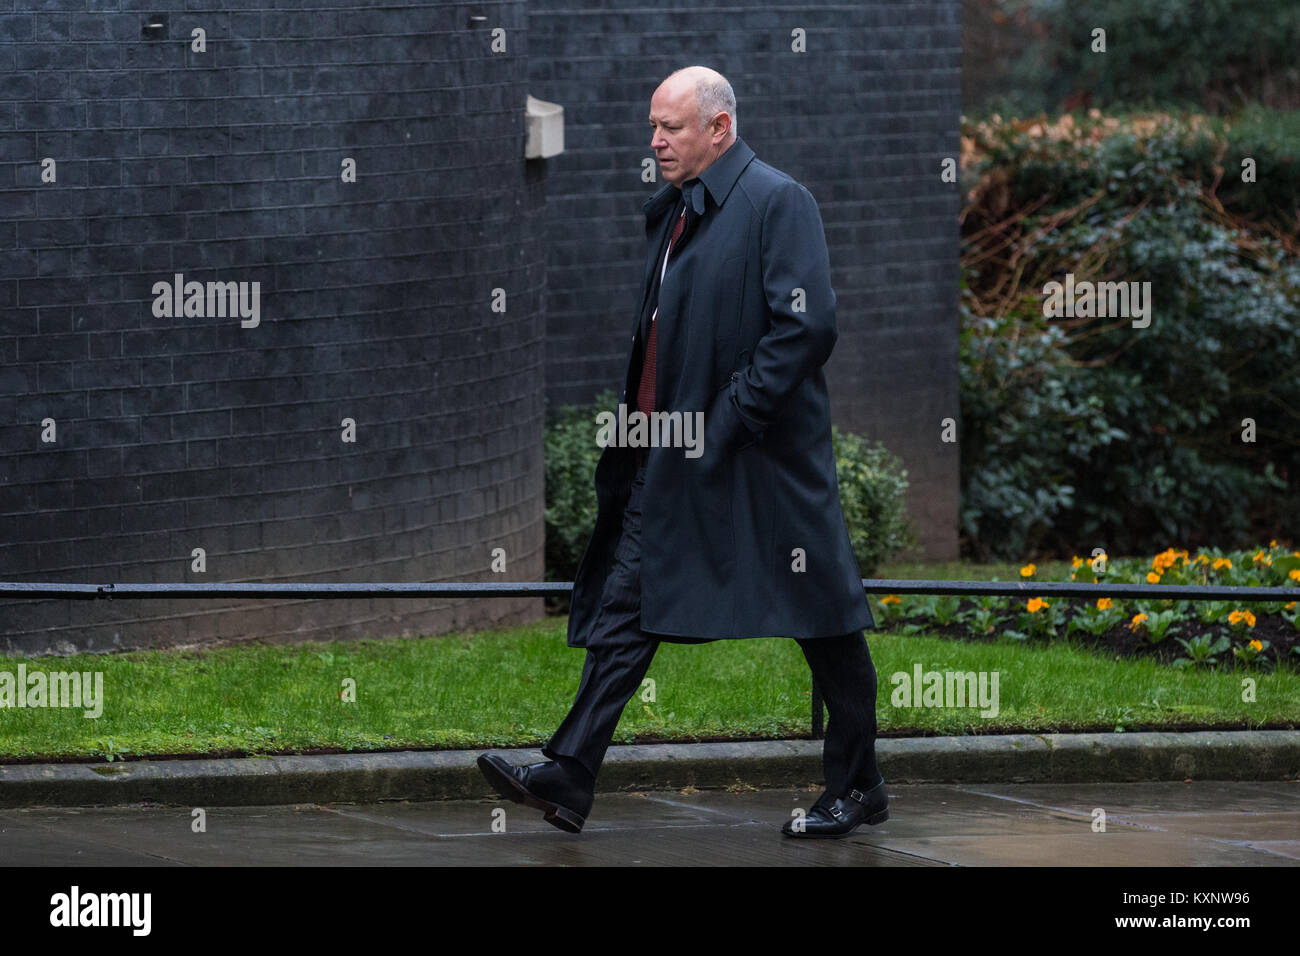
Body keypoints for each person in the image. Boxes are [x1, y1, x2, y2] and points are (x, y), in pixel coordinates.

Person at [478, 66, 887, 838]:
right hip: (671, 455)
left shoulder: (777, 201)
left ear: (719, 128)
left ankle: (859, 783)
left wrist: (728, 419)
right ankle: (571, 771)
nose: (656, 141)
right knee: (630, 603)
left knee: (824, 621)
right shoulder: (677, 212)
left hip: (766, 465)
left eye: (670, 128)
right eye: (653, 127)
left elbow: (807, 326)